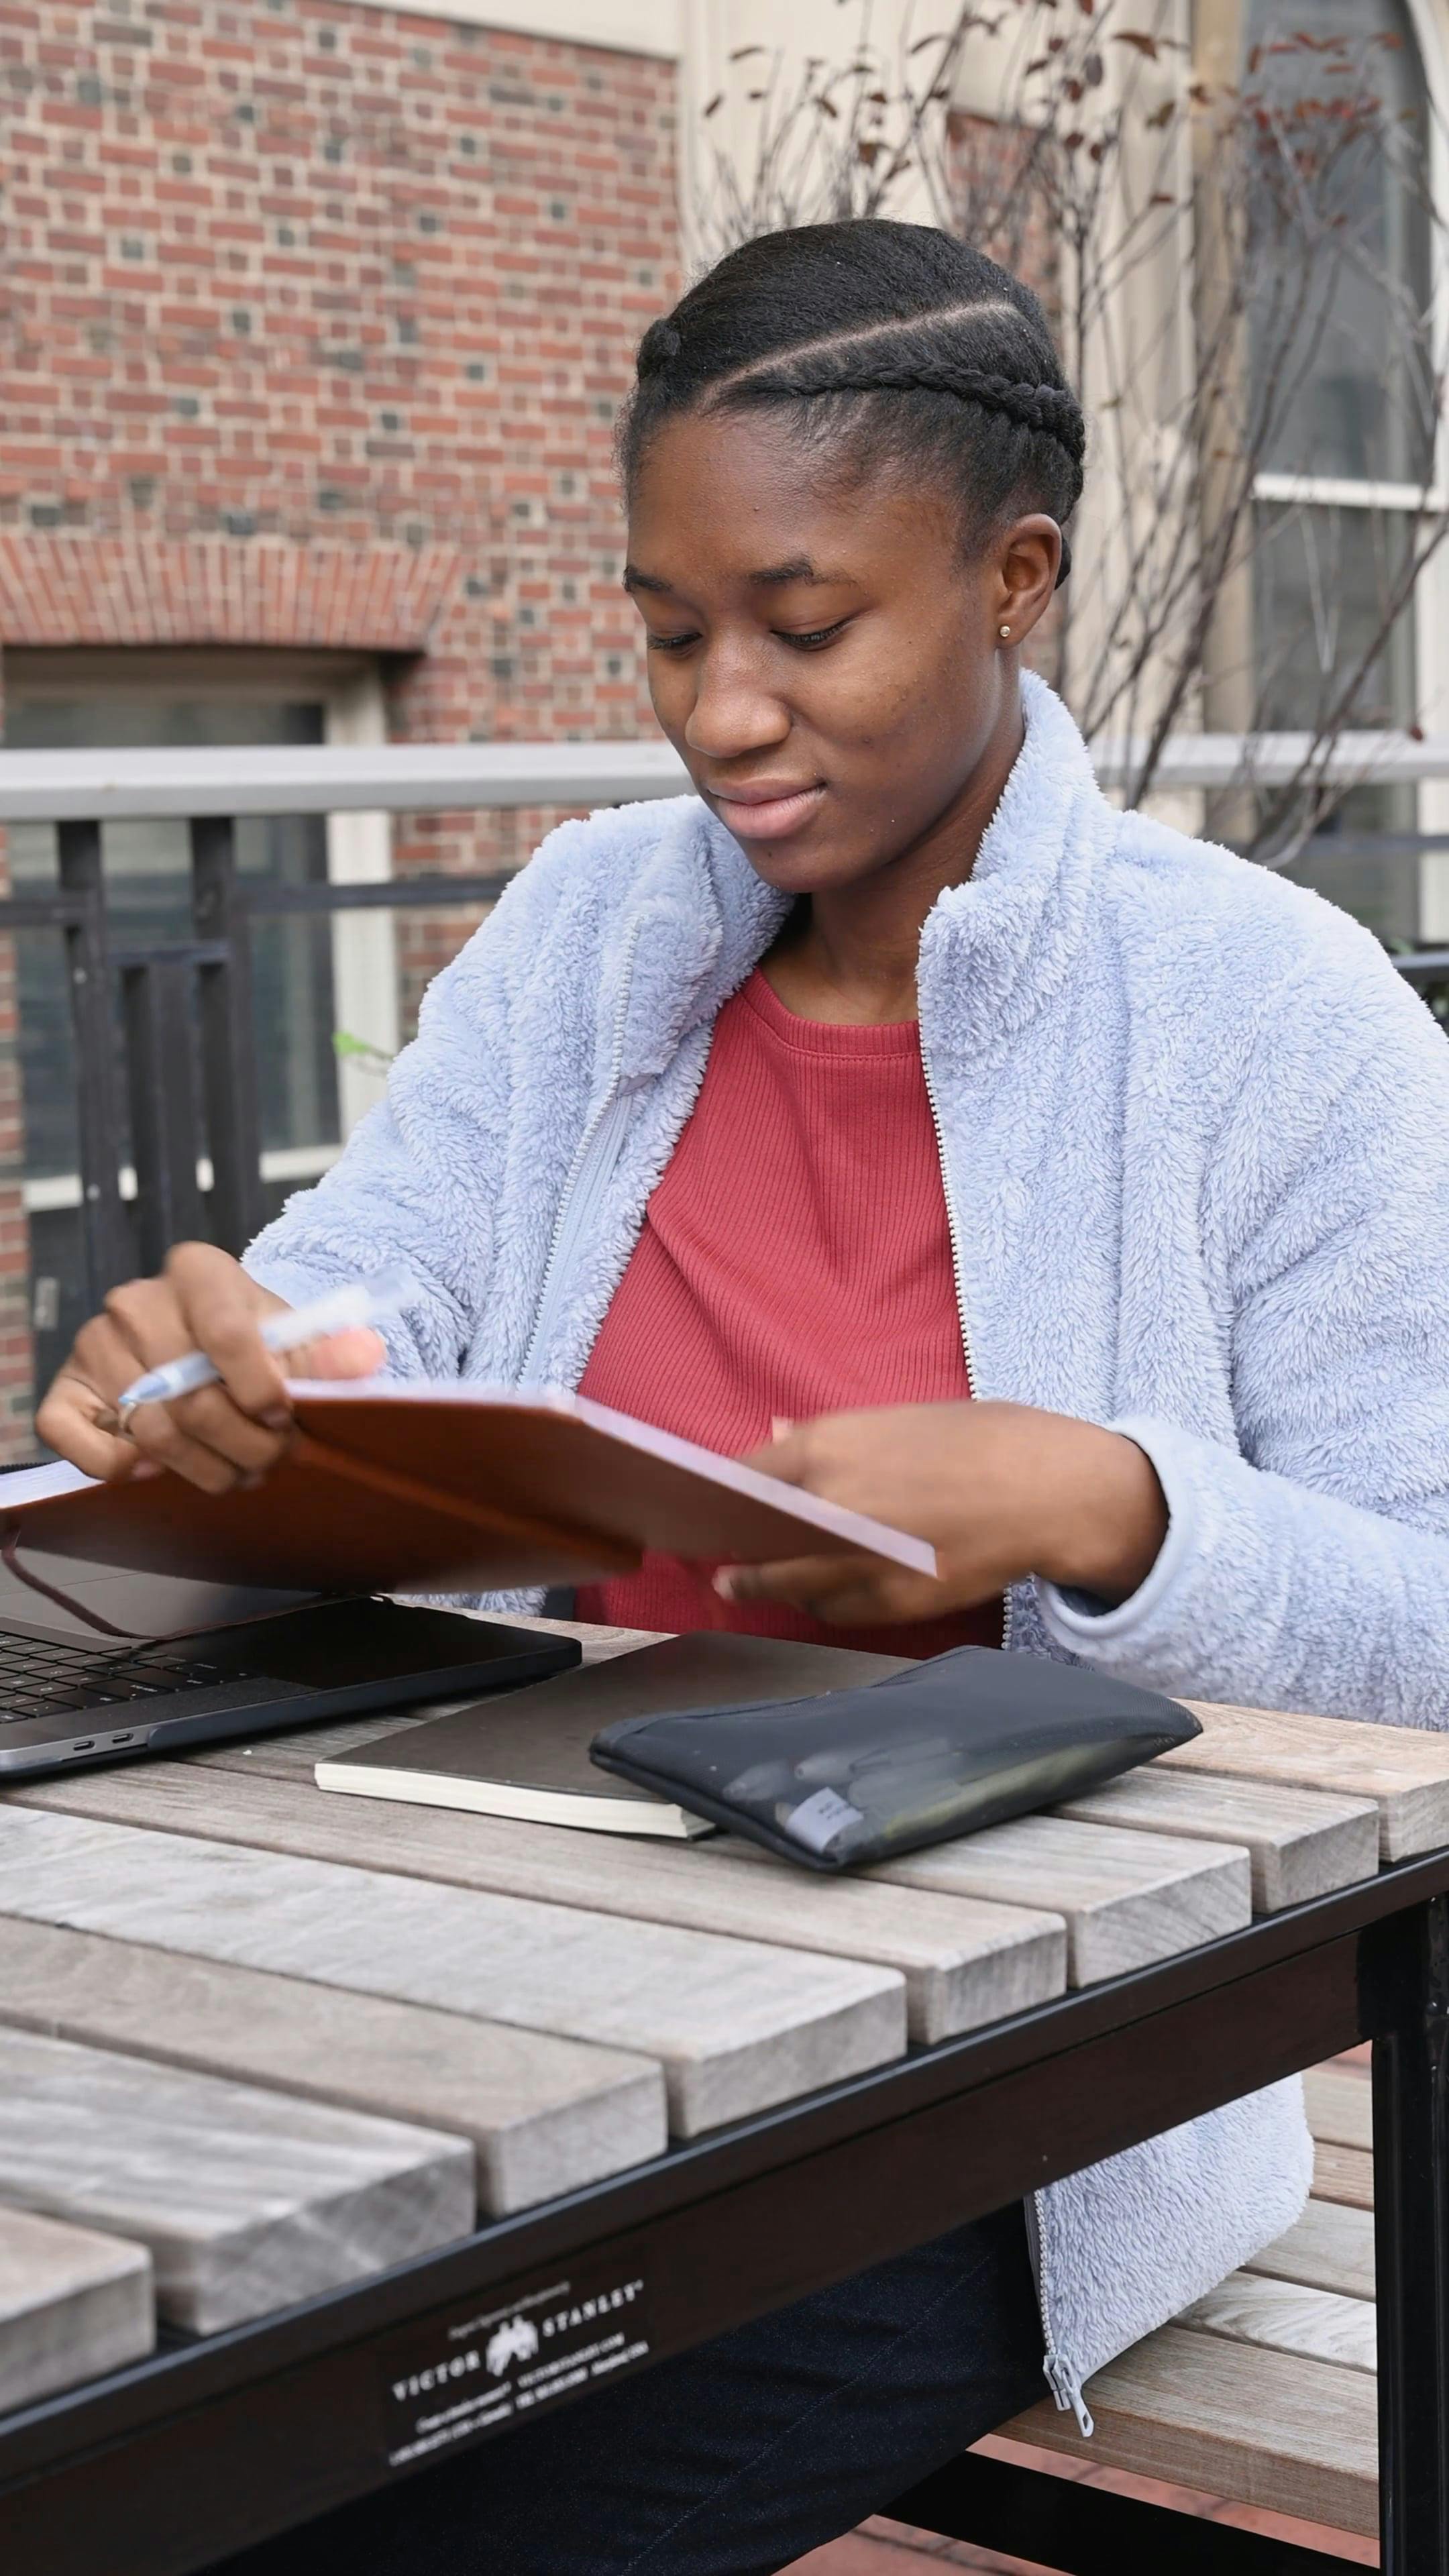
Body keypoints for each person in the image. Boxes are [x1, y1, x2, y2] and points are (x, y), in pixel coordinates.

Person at [39, 219, 1449, 2573]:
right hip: (471, 1940)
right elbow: (371, 1299)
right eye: (672, 630)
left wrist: (1115, 1509)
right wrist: (216, 1376)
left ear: (1015, 581)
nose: (718, 713)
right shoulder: (601, 929)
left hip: (965, 2098)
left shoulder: (1268, 1023)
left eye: (807, 627)